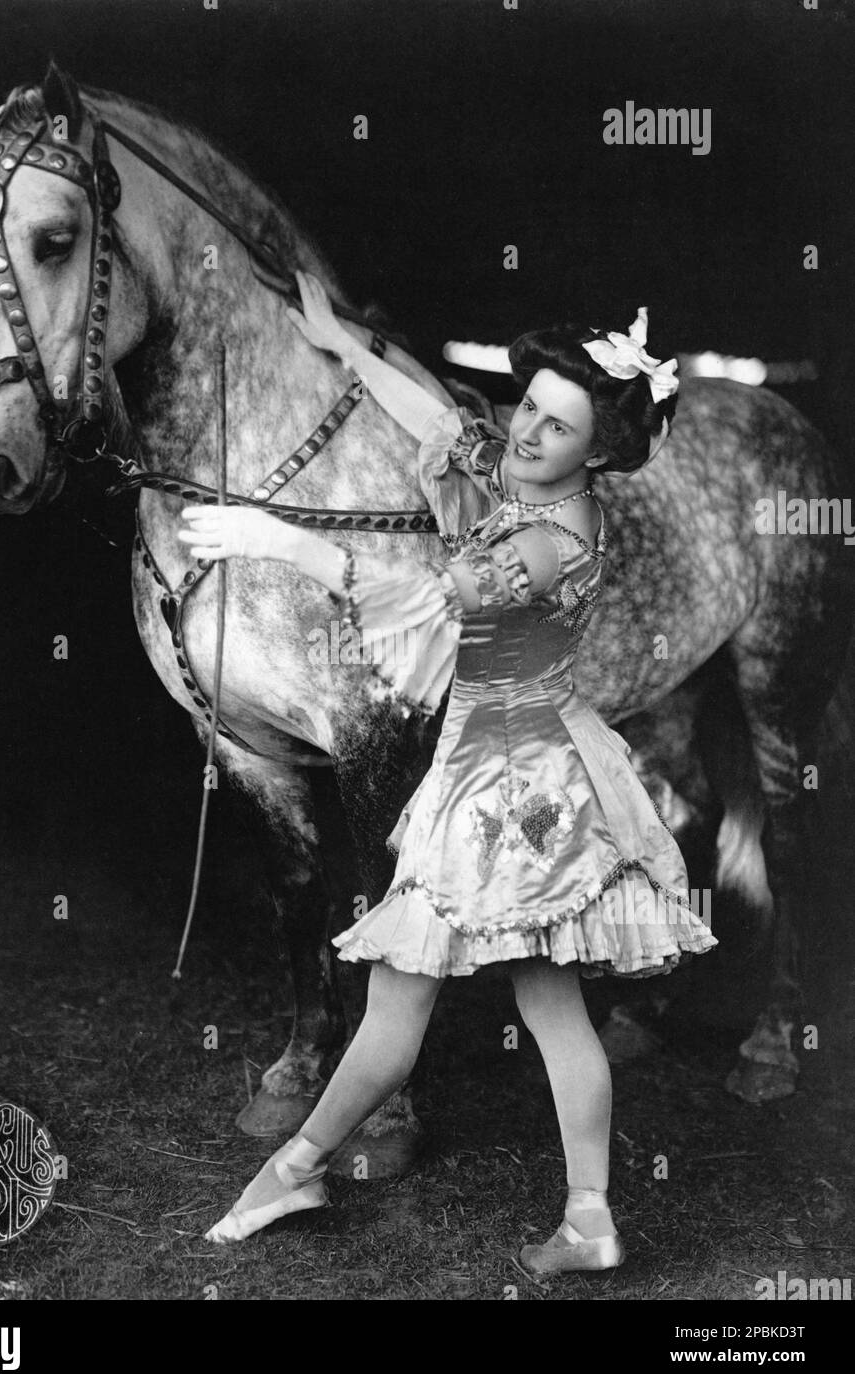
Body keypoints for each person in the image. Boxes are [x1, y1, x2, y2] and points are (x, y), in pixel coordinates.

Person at [178, 271, 717, 1274]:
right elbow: (442, 420)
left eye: (556, 427)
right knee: (532, 1004)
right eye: (527, 408)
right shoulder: (525, 485)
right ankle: (586, 1217)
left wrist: (273, 537)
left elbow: (427, 589)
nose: (524, 434)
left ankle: (298, 1167)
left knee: (408, 995)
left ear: (597, 450)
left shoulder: (555, 541)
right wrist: (344, 345)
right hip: (513, 767)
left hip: (507, 792)